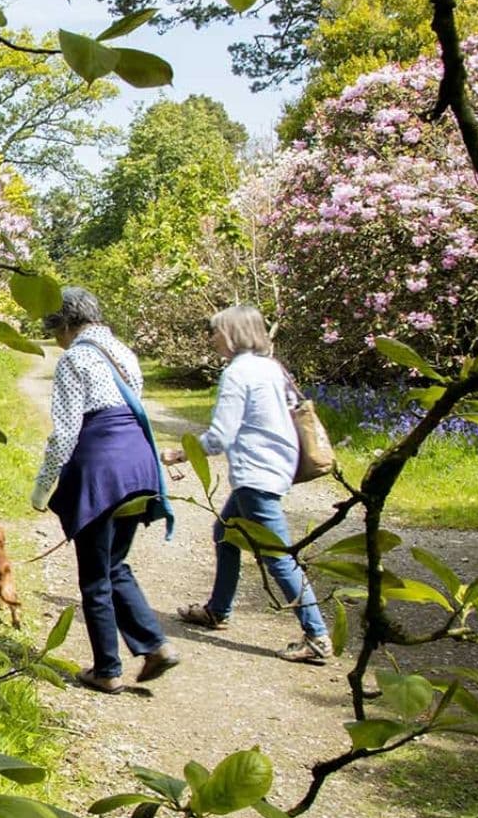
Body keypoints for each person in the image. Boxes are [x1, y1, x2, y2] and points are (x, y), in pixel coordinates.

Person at [160, 304, 332, 665]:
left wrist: (181, 453)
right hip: (275, 468)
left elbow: (221, 436)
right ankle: (218, 610)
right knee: (224, 534)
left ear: (234, 334)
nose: (212, 338)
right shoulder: (272, 368)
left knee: (278, 557)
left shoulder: (238, 373)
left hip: (257, 474)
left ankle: (317, 635)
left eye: (216, 331)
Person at [30, 287, 180, 693]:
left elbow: (65, 433)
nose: (56, 340)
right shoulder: (123, 352)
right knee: (115, 564)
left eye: (54, 330)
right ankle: (154, 646)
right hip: (138, 468)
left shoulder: (75, 358)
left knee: (95, 576)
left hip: (102, 471)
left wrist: (43, 487)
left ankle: (107, 670)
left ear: (64, 323)